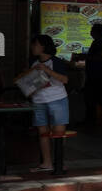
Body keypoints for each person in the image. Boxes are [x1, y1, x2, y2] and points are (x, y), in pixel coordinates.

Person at [18, 34, 70, 172]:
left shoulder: (56, 62)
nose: (32, 47)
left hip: (57, 99)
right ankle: (47, 163)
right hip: (38, 100)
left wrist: (46, 70)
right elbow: (29, 81)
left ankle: (59, 162)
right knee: (42, 132)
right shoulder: (32, 62)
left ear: (43, 46)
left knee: (58, 133)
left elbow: (65, 80)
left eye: (35, 44)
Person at [83, 22, 102, 125]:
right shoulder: (98, 42)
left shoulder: (100, 42)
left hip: (96, 76)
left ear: (96, 32)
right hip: (95, 75)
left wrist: (84, 57)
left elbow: (100, 57)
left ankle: (92, 120)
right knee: (92, 98)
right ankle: (92, 119)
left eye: (92, 30)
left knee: (91, 98)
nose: (90, 32)